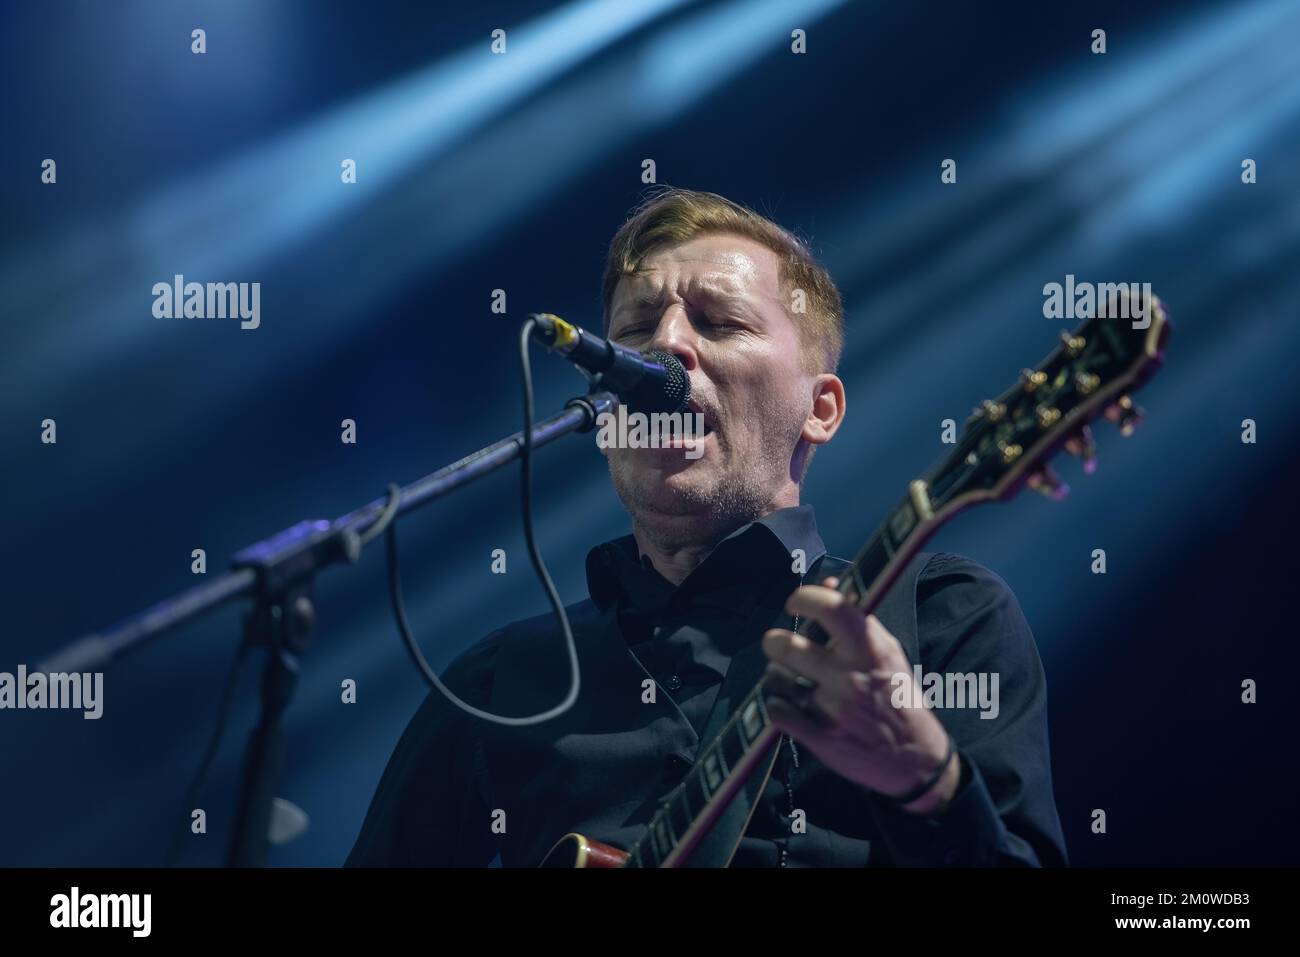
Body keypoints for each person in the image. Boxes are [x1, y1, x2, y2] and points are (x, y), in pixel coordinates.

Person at [346, 187, 1067, 867]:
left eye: (720, 322)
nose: (666, 345)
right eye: (634, 327)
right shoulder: (499, 680)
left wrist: (926, 781)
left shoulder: (936, 618)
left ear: (821, 408)